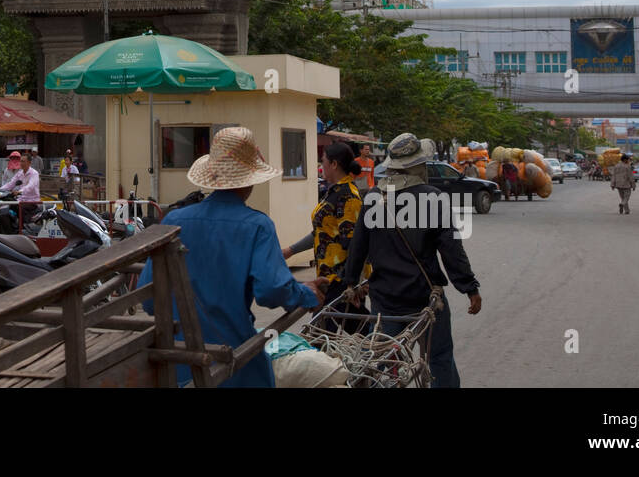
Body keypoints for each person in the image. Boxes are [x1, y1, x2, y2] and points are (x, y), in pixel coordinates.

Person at [140, 126, 323, 387]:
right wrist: (306, 294)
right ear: (249, 180)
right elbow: (271, 290)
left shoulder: (174, 220)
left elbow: (148, 299)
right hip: (233, 360)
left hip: (177, 360)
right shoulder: (257, 225)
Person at [342, 133, 481, 389]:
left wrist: (351, 283)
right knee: (438, 357)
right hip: (424, 297)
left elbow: (357, 247)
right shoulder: (433, 197)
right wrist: (469, 287)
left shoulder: (373, 198)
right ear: (418, 166)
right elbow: (451, 250)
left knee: (377, 362)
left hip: (385, 300)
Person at [282, 140, 369, 332]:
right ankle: (391, 355)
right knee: (362, 332)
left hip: (339, 282)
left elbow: (356, 244)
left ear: (334, 164)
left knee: (318, 336)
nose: (321, 167)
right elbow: (322, 231)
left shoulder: (348, 197)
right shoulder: (334, 192)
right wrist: (290, 251)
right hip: (329, 278)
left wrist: (352, 283)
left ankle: (390, 354)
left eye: (323, 161)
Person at [2, 153, 42, 230]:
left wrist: (19, 191)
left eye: (23, 161)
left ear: (29, 163)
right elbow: (11, 184)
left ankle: (23, 228)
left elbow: (31, 186)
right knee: (10, 207)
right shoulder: (19, 173)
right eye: (21, 161)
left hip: (32, 201)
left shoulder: (34, 173)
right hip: (20, 199)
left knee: (20, 208)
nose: (21, 163)